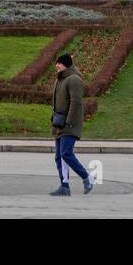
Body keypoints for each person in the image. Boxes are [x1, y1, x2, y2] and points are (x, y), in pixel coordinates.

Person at [50, 53, 92, 196]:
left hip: (70, 124)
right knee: (59, 156)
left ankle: (87, 177)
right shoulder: (60, 80)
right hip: (59, 123)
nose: (57, 65)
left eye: (59, 63)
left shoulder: (74, 79)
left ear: (66, 64)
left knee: (66, 153)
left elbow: (76, 102)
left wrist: (68, 121)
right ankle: (65, 186)